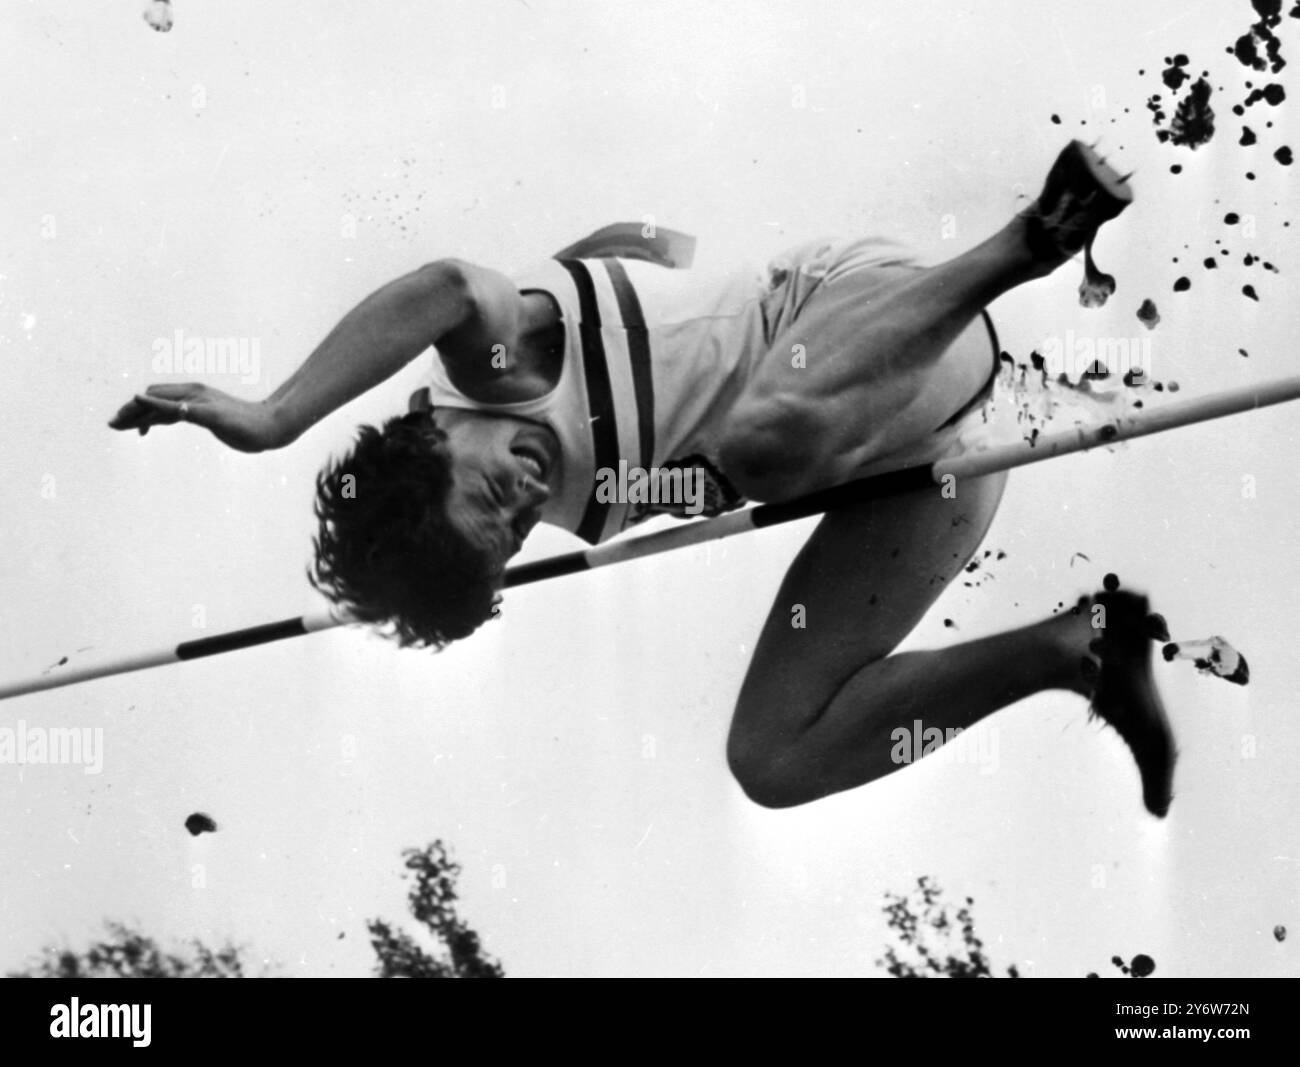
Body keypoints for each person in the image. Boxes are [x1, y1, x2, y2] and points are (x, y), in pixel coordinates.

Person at [109, 140, 1177, 817]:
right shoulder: (602, 507)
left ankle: (1026, 242)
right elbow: (657, 263)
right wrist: (633, 258)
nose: (525, 506)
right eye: (511, 536)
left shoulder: (504, 362)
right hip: (930, 468)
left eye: (486, 499)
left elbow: (443, 286)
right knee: (770, 760)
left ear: (430, 438)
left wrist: (277, 415)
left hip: (873, 320)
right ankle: (1073, 651)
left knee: (753, 445)